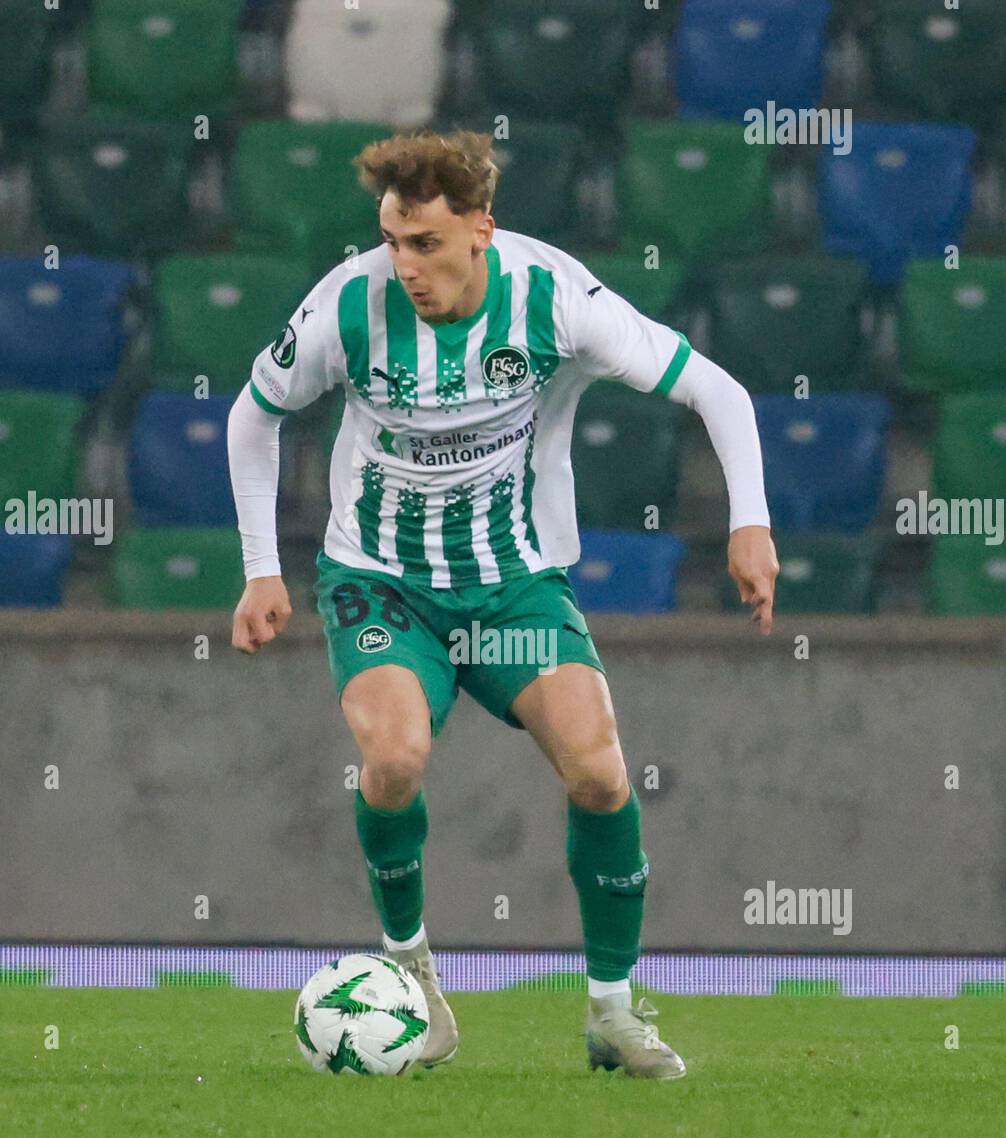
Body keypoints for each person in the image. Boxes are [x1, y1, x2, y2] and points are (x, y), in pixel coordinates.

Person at [228, 130, 778, 1080]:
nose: (404, 266)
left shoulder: (554, 297)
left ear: (482, 229)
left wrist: (751, 521)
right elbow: (252, 415)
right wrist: (260, 568)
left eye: (426, 245)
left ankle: (612, 1013)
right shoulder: (346, 305)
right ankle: (415, 981)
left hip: (515, 581)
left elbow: (718, 392)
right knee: (394, 759)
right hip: (382, 581)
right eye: (394, 241)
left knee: (602, 775)